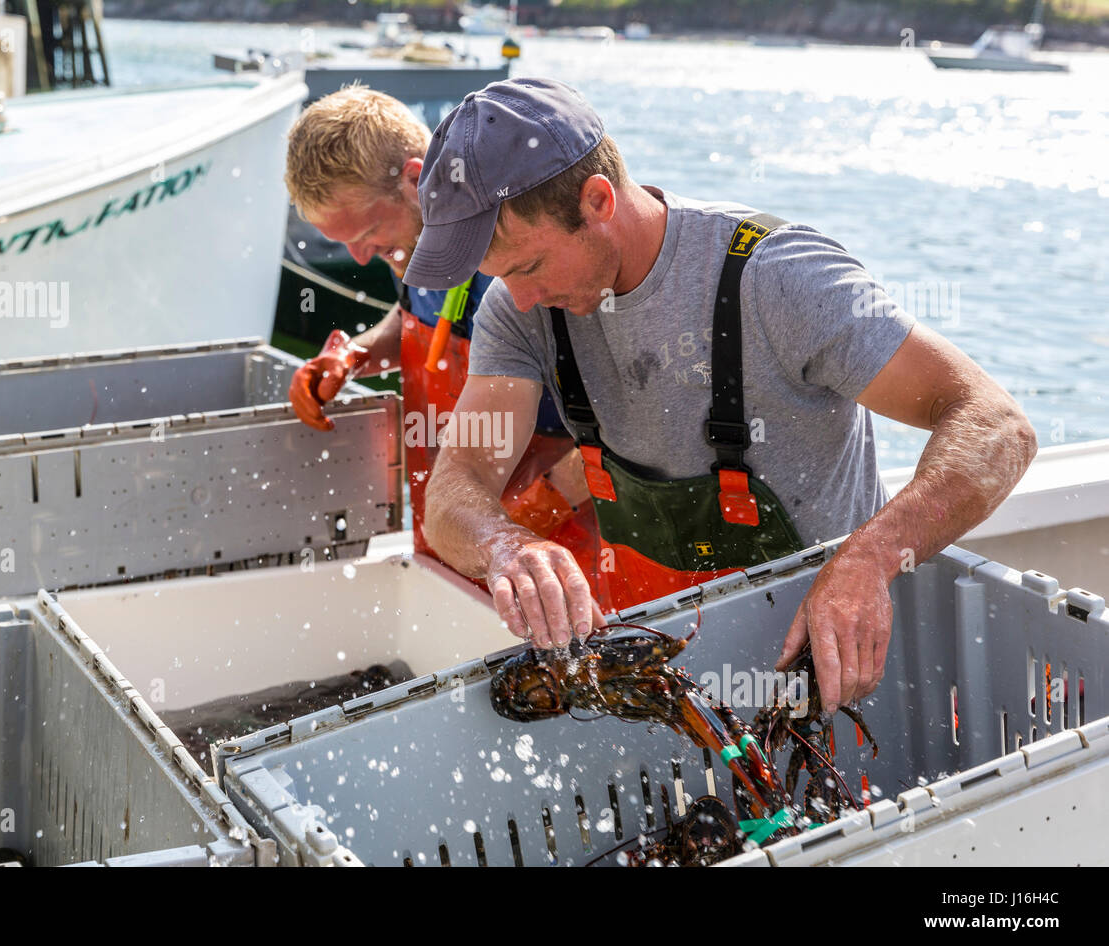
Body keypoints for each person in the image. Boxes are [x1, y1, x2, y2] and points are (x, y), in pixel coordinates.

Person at [405, 78, 1037, 713]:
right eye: (500, 277)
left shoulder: (778, 276)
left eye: (528, 267)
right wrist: (503, 544)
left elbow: (997, 425)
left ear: (598, 201)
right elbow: (456, 487)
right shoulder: (522, 313)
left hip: (825, 680)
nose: (516, 297)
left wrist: (870, 559)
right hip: (655, 687)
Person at [282, 86, 603, 591]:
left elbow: (623, 422)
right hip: (455, 521)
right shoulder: (406, 243)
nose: (361, 258)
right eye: (342, 243)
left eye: (367, 234)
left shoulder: (521, 263)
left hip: (551, 538)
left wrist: (536, 511)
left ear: (415, 181)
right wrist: (354, 355)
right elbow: (416, 316)